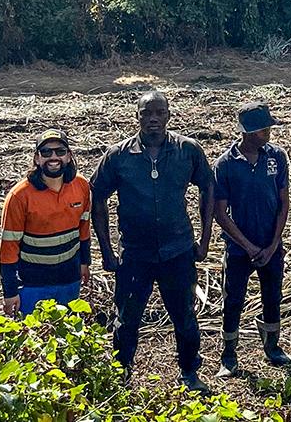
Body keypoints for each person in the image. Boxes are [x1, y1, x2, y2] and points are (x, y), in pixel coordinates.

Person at [90, 91, 215, 393]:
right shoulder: (118, 156)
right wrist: (107, 251)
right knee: (126, 320)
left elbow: (208, 188)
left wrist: (205, 239)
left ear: (169, 115)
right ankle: (121, 376)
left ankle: (189, 373)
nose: (153, 118)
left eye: (159, 112)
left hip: (178, 251)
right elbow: (97, 198)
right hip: (136, 254)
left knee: (185, 317)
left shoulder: (187, 150)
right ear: (137, 117)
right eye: (146, 113)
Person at [212, 101, 291, 376]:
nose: (268, 133)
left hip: (271, 245)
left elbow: (283, 203)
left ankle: (272, 347)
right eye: (262, 129)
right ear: (247, 132)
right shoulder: (225, 164)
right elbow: (220, 213)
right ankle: (229, 354)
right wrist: (248, 246)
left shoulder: (276, 157)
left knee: (273, 296)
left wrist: (273, 244)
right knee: (233, 299)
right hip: (239, 249)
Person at [0, 129, 92, 317]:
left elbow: (84, 229)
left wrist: (85, 262)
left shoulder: (81, 186)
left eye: (60, 151)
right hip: (33, 285)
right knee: (34, 333)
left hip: (70, 279)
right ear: (37, 158)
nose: (53, 157)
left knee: (69, 330)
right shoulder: (19, 196)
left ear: (69, 156)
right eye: (46, 152)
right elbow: (8, 248)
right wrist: (10, 292)